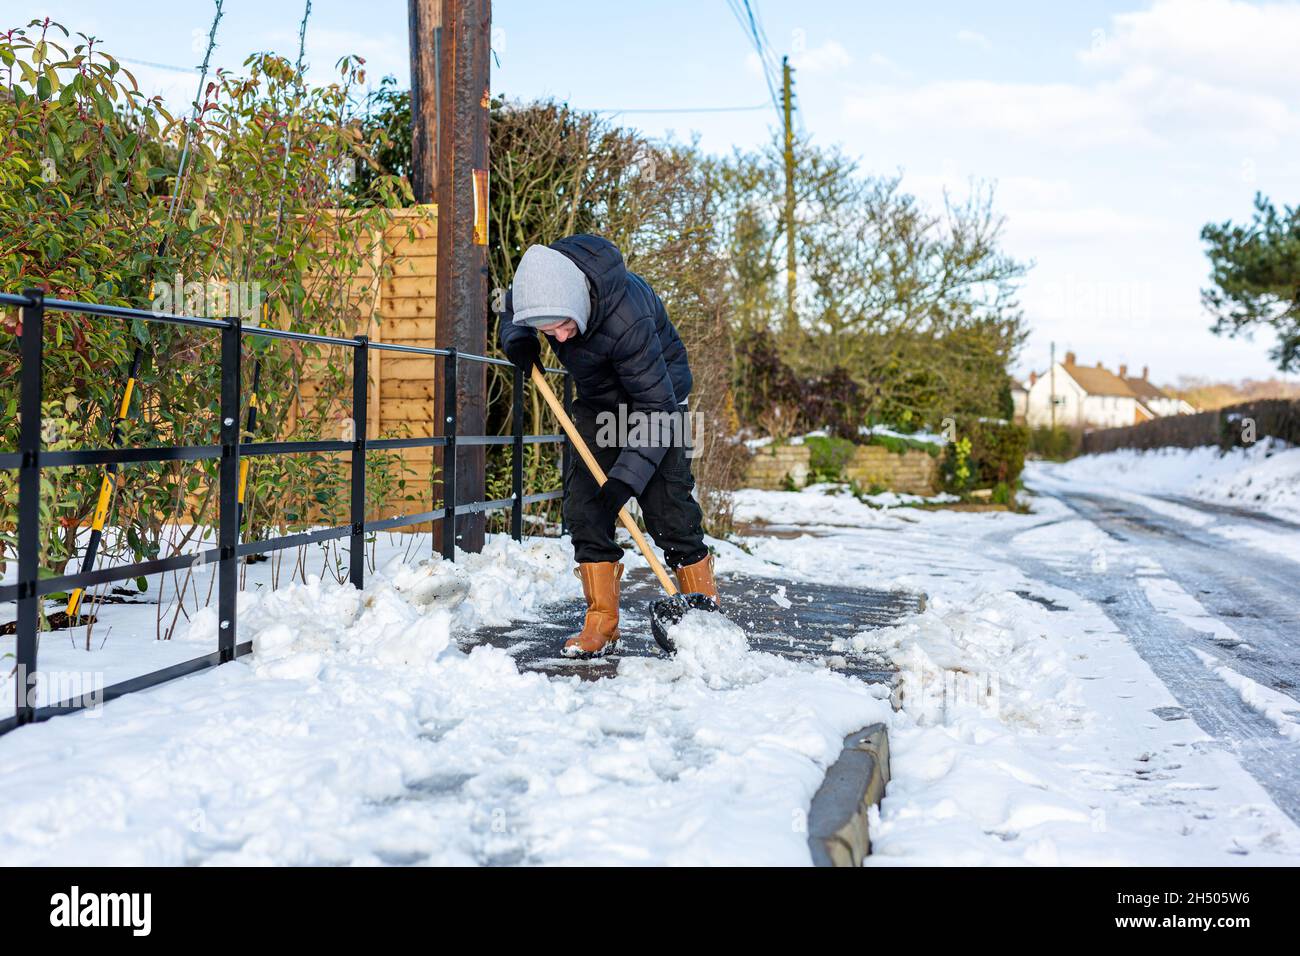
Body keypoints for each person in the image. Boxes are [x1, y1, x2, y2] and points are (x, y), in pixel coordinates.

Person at [498, 235, 718, 658]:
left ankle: (705, 614)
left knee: (669, 510)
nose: (559, 338)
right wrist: (518, 339)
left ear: (579, 302)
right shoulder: (540, 283)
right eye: (547, 331)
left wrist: (624, 480)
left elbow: (657, 408)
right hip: (599, 404)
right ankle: (602, 623)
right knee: (587, 508)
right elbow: (512, 305)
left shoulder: (626, 316)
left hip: (660, 401)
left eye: (563, 325)